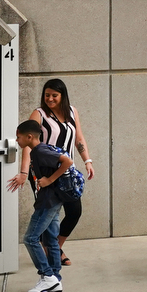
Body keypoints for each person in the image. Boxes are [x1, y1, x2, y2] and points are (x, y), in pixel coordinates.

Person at [9, 79, 96, 267]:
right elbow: (27, 144)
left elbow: (79, 138)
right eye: (47, 95)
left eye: (54, 95)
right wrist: (24, 172)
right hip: (43, 173)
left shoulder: (72, 112)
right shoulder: (39, 114)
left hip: (66, 171)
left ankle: (55, 247)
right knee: (49, 213)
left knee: (74, 211)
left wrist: (87, 160)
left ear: (62, 96)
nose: (50, 99)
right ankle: (53, 253)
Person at [19, 120, 72, 292]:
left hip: (48, 202)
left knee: (30, 238)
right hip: (52, 200)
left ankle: (47, 276)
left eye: (18, 137)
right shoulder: (39, 150)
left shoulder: (40, 151)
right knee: (50, 239)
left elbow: (67, 161)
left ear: (29, 137)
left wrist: (49, 180)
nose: (17, 141)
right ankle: (55, 279)